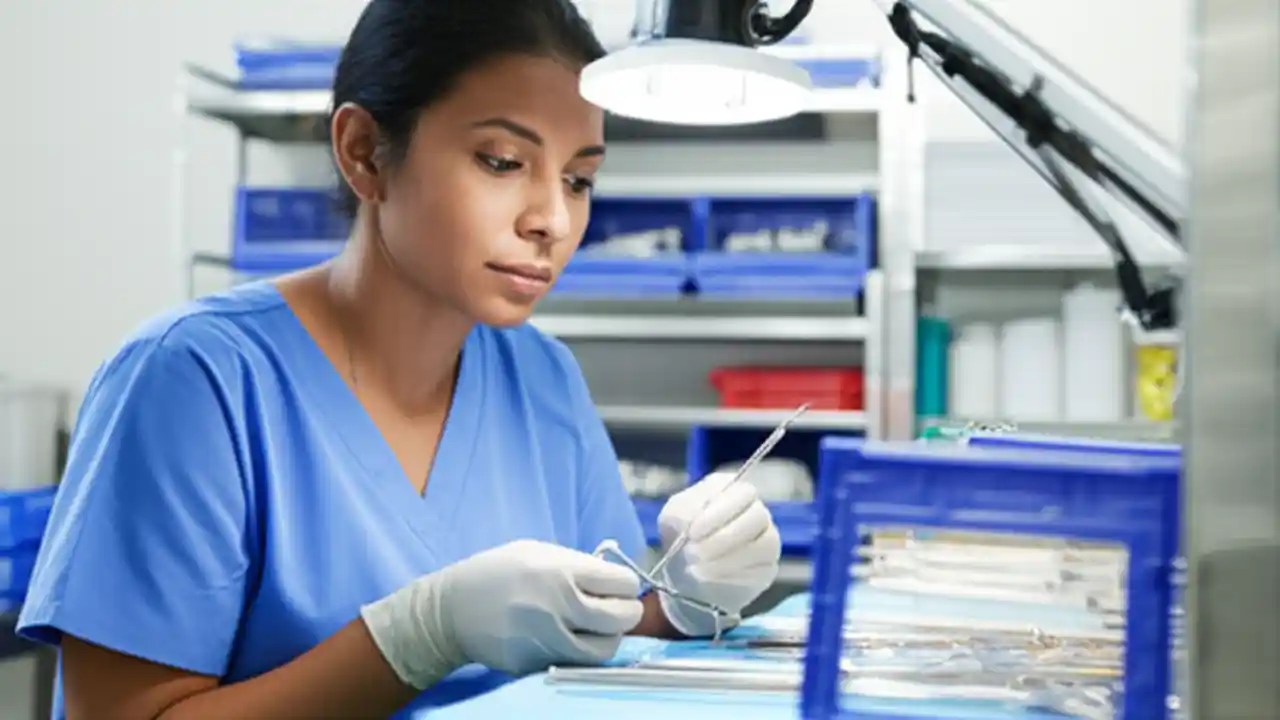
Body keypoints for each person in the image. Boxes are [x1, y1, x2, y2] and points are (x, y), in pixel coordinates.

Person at [16, 1, 783, 718]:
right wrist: (417, 635)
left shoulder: (541, 378)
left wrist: (684, 598)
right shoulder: (196, 380)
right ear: (363, 154)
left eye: (580, 179)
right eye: (501, 161)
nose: (552, 218)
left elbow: (609, 627)